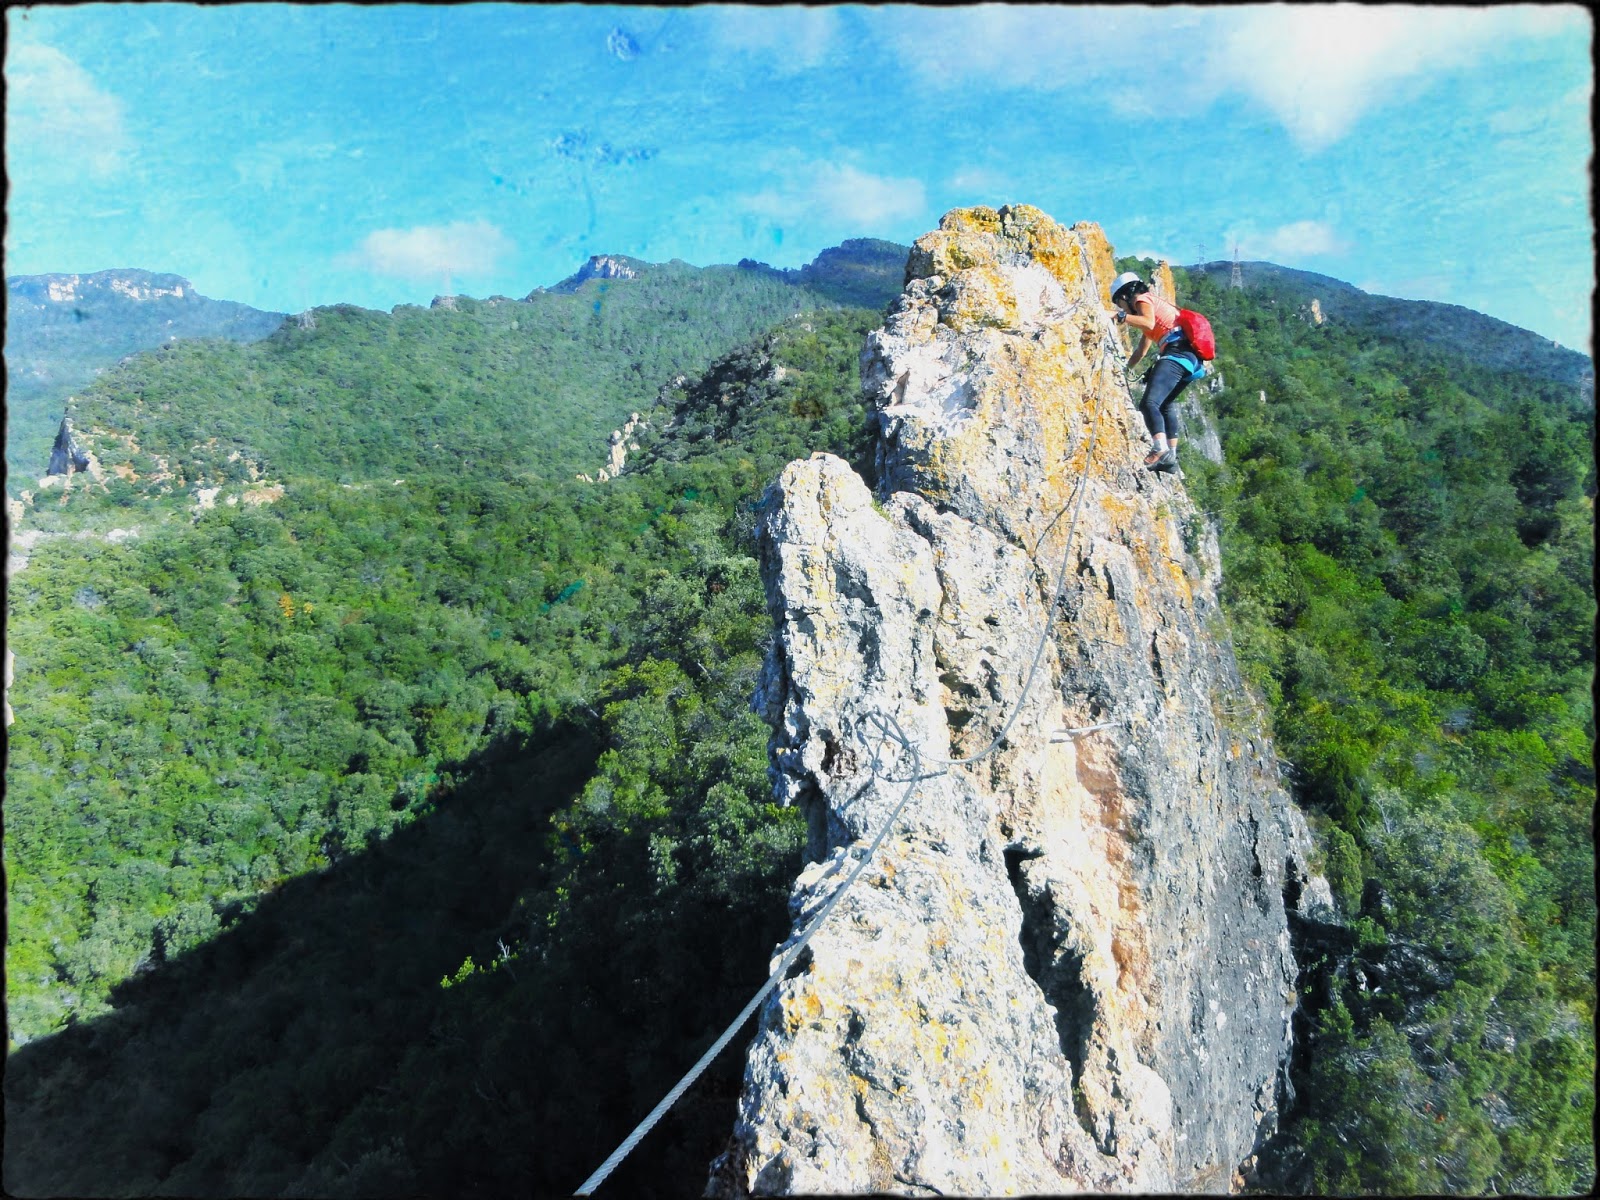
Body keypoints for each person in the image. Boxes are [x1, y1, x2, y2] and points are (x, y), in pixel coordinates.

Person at [1110, 271, 1205, 473]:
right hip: (1189, 360)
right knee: (1165, 405)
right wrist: (1126, 370)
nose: (1121, 307)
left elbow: (1148, 323)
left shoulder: (1143, 299)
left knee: (1149, 403)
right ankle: (1171, 456)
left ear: (1126, 295)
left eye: (1120, 303)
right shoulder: (1154, 307)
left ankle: (1160, 451)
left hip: (1176, 354)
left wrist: (1119, 316)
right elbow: (1141, 351)